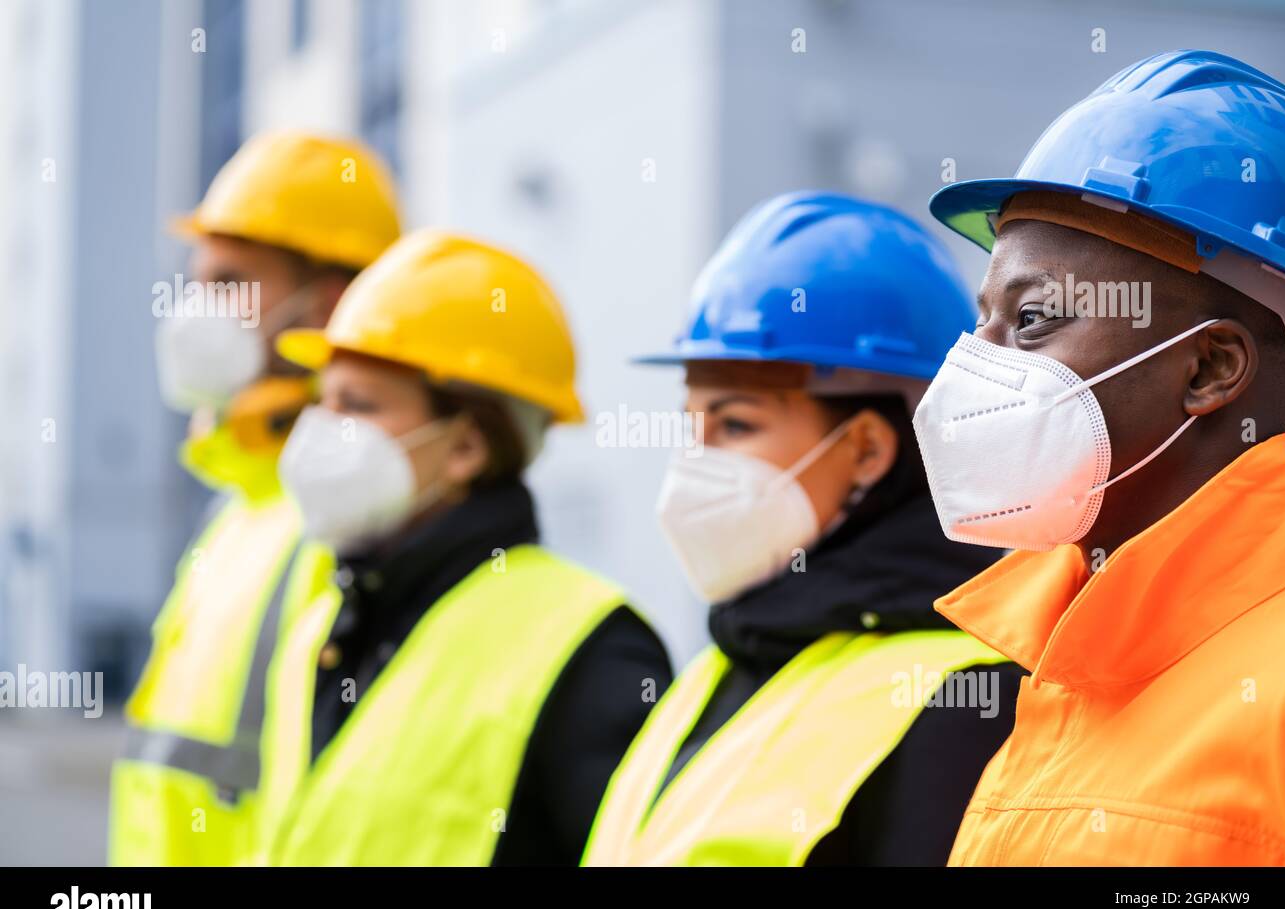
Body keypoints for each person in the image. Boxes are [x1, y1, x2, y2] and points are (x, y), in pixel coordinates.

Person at [920, 49, 1285, 865]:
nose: (970, 368)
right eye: (982, 320)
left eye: (1031, 321)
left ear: (1209, 369)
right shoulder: (1062, 661)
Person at [582, 192, 1021, 866]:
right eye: (690, 425)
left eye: (735, 425)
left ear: (869, 450)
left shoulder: (966, 699)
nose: (695, 462)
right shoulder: (723, 664)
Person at [252, 229, 671, 866]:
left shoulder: (594, 651)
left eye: (357, 405)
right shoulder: (324, 626)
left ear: (467, 448)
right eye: (323, 401)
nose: (319, 431)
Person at [110, 130, 402, 866]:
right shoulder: (240, 510)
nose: (196, 311)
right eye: (197, 281)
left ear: (329, 300)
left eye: (229, 283)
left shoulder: (357, 516)